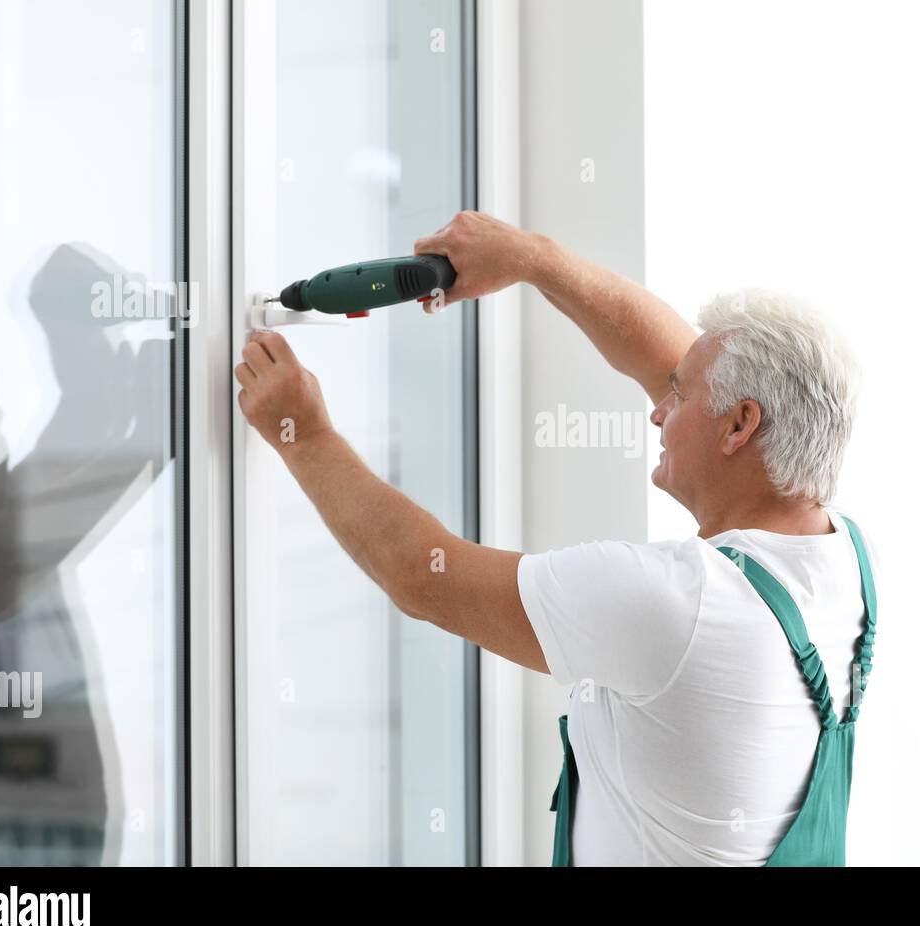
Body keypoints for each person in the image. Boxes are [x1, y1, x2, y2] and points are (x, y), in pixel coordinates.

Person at [234, 211, 879, 866]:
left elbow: (420, 575)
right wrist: (530, 259)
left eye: (678, 397)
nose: (658, 408)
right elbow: (671, 361)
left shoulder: (679, 605)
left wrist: (304, 434)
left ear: (740, 426)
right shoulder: (844, 561)